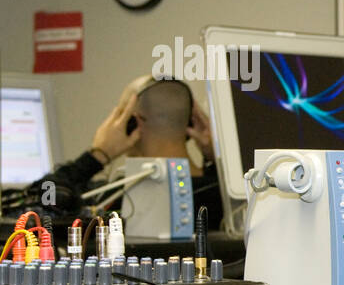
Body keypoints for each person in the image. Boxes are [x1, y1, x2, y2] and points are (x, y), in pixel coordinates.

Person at [33, 74, 223, 226]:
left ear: (132, 123)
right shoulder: (224, 197)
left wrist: (98, 155)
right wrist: (217, 161)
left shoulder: (118, 200)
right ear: (192, 121)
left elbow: (37, 201)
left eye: (120, 114)